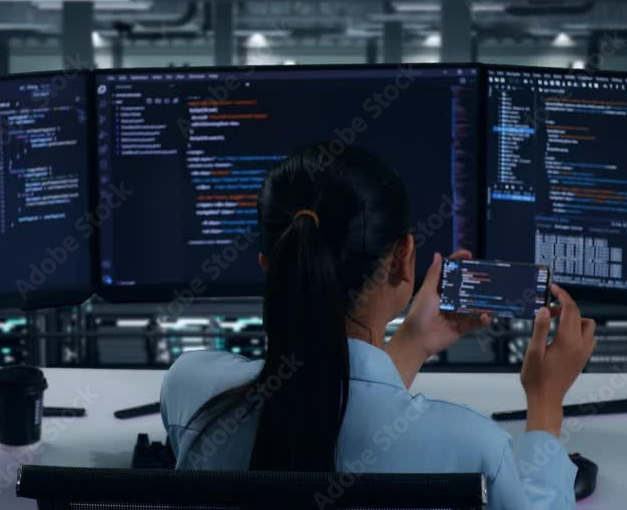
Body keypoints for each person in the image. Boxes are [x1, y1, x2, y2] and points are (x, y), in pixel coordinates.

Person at [160, 145, 596, 509]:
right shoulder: (476, 450)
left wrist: (411, 345)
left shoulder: (190, 392)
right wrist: (545, 402)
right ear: (404, 258)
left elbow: (319, 409)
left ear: (268, 268)